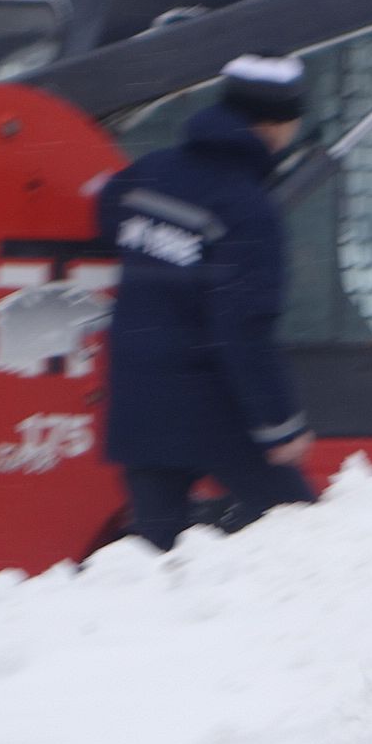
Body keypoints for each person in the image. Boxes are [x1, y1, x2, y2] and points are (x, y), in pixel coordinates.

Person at [98, 55, 318, 549]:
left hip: (137, 398)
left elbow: (107, 212)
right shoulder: (248, 209)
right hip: (212, 408)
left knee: (155, 558)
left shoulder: (150, 173)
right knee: (306, 541)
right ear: (278, 125)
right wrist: (281, 427)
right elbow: (245, 328)